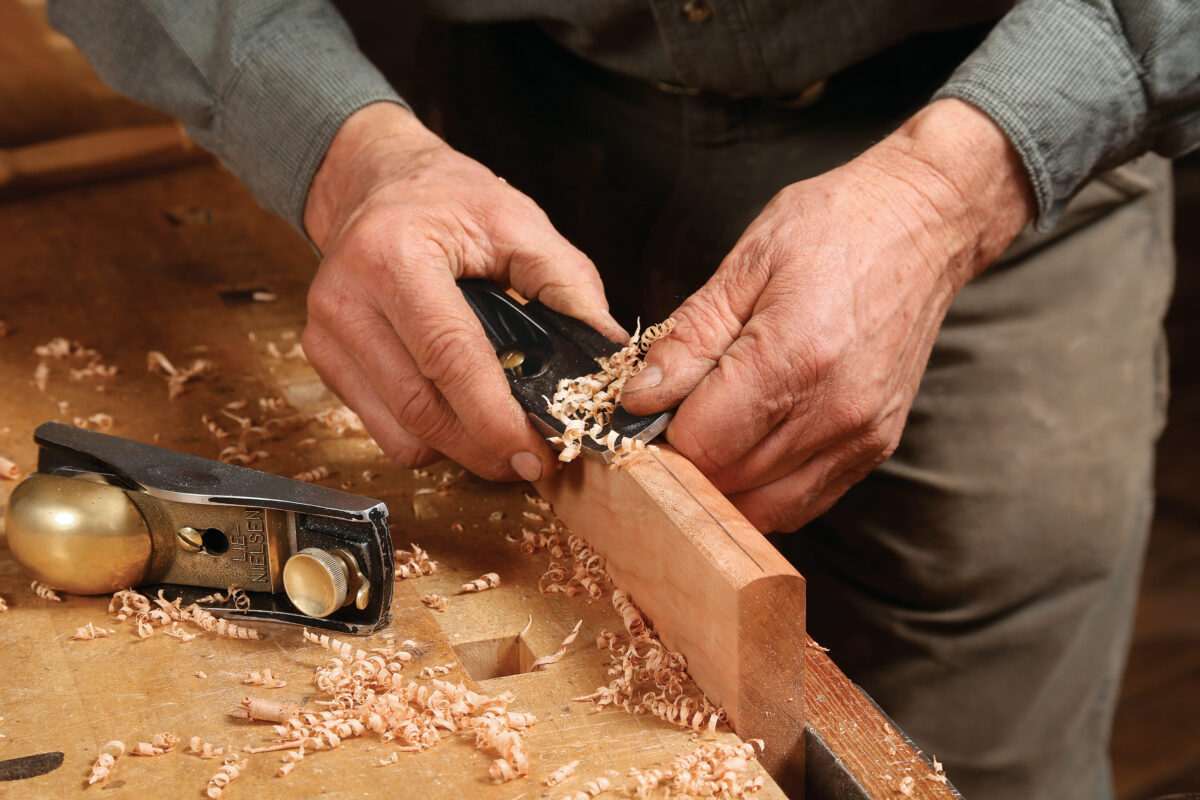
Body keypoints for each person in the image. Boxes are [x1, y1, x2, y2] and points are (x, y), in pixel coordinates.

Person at [48, 2, 1200, 797]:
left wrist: (949, 192)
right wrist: (347, 155)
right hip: (479, 137)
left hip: (984, 122)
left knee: (967, 750)